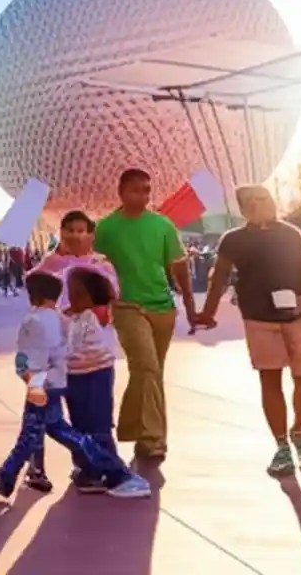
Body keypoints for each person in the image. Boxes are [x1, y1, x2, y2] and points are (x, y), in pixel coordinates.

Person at [195, 185, 301, 475]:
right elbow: (220, 276)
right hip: (259, 318)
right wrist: (208, 313)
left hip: (299, 313)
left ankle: (300, 432)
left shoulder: (290, 233)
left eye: (265, 198)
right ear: (244, 209)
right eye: (254, 201)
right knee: (270, 380)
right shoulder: (233, 239)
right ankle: (282, 446)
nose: (262, 204)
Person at [0, 272, 151, 499]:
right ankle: (10, 476)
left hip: (45, 383)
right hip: (52, 382)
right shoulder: (60, 318)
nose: (72, 298)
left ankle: (115, 472)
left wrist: (31, 377)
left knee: (54, 431)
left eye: (77, 293)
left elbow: (47, 354)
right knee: (43, 431)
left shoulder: (44, 320)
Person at [94, 168, 196, 461]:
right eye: (136, 189)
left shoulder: (163, 225)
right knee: (148, 368)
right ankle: (153, 439)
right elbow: (96, 269)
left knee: (150, 373)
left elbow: (178, 267)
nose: (142, 195)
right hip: (128, 306)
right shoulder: (106, 229)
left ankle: (134, 429)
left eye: (147, 190)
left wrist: (190, 307)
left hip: (162, 306)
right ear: (121, 192)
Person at [61, 266, 124, 491]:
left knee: (98, 423)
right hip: (75, 375)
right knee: (79, 423)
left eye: (79, 294)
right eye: (71, 293)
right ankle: (87, 468)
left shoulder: (96, 315)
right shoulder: (72, 315)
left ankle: (109, 471)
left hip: (97, 373)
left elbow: (78, 345)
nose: (73, 299)